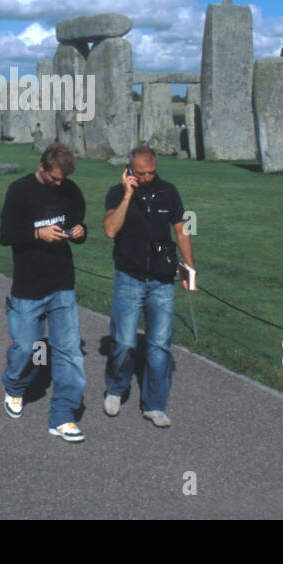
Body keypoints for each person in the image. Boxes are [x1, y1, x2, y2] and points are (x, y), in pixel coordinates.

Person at [0, 143, 88, 443]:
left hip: (62, 281)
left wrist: (79, 232)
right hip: (28, 284)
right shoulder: (19, 190)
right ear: (42, 167)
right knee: (26, 347)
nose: (60, 184)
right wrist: (37, 233)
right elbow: (5, 235)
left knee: (70, 351)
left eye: (63, 178)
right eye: (55, 178)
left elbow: (79, 224)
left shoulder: (70, 190)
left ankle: (62, 416)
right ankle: (14, 385)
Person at [101, 146, 196, 428]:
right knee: (124, 342)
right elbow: (110, 230)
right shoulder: (117, 193)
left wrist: (189, 270)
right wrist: (129, 195)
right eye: (140, 174)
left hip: (162, 280)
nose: (146, 178)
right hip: (129, 277)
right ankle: (116, 388)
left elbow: (181, 231)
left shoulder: (169, 191)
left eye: (151, 172)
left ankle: (155, 405)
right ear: (130, 170)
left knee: (158, 346)